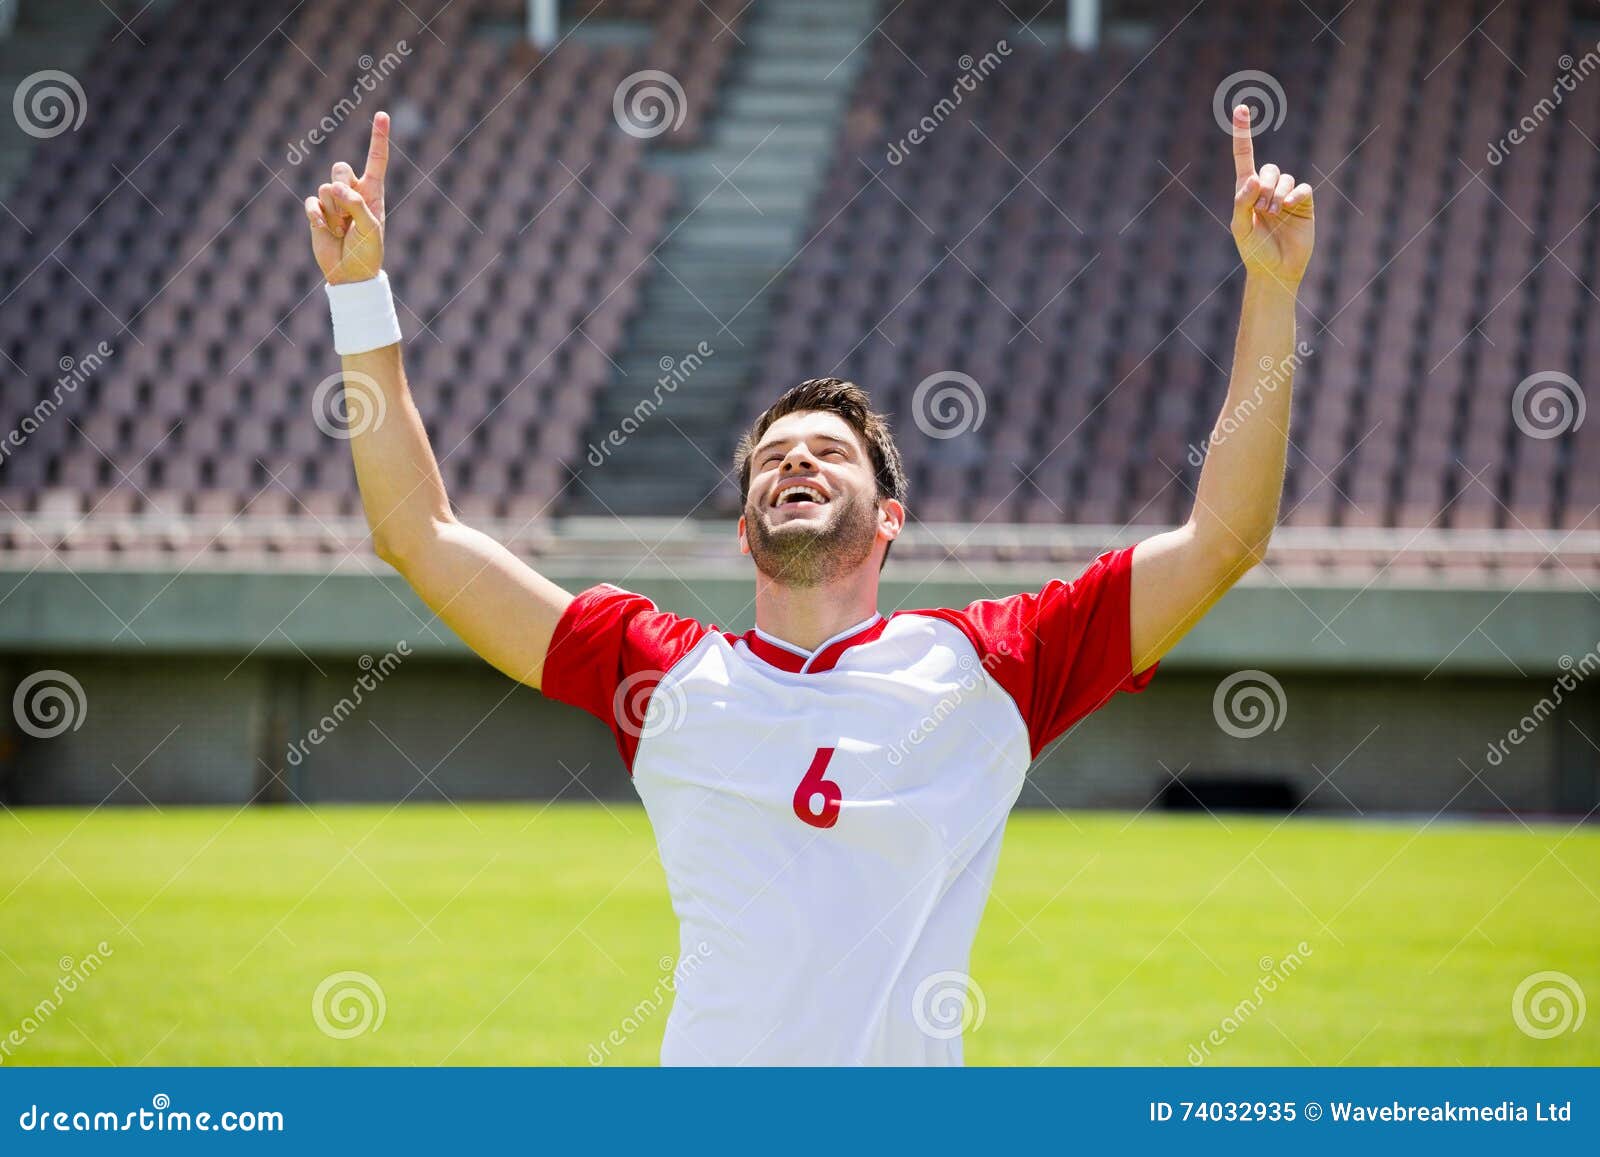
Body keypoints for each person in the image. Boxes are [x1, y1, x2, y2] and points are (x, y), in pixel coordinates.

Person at [303, 106, 1314, 1064]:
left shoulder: (997, 662)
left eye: (830, 452)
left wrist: (1270, 290)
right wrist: (359, 296)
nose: (797, 462)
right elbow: (418, 536)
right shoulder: (654, 669)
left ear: (888, 517)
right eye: (774, 457)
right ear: (746, 529)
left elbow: (1224, 538)